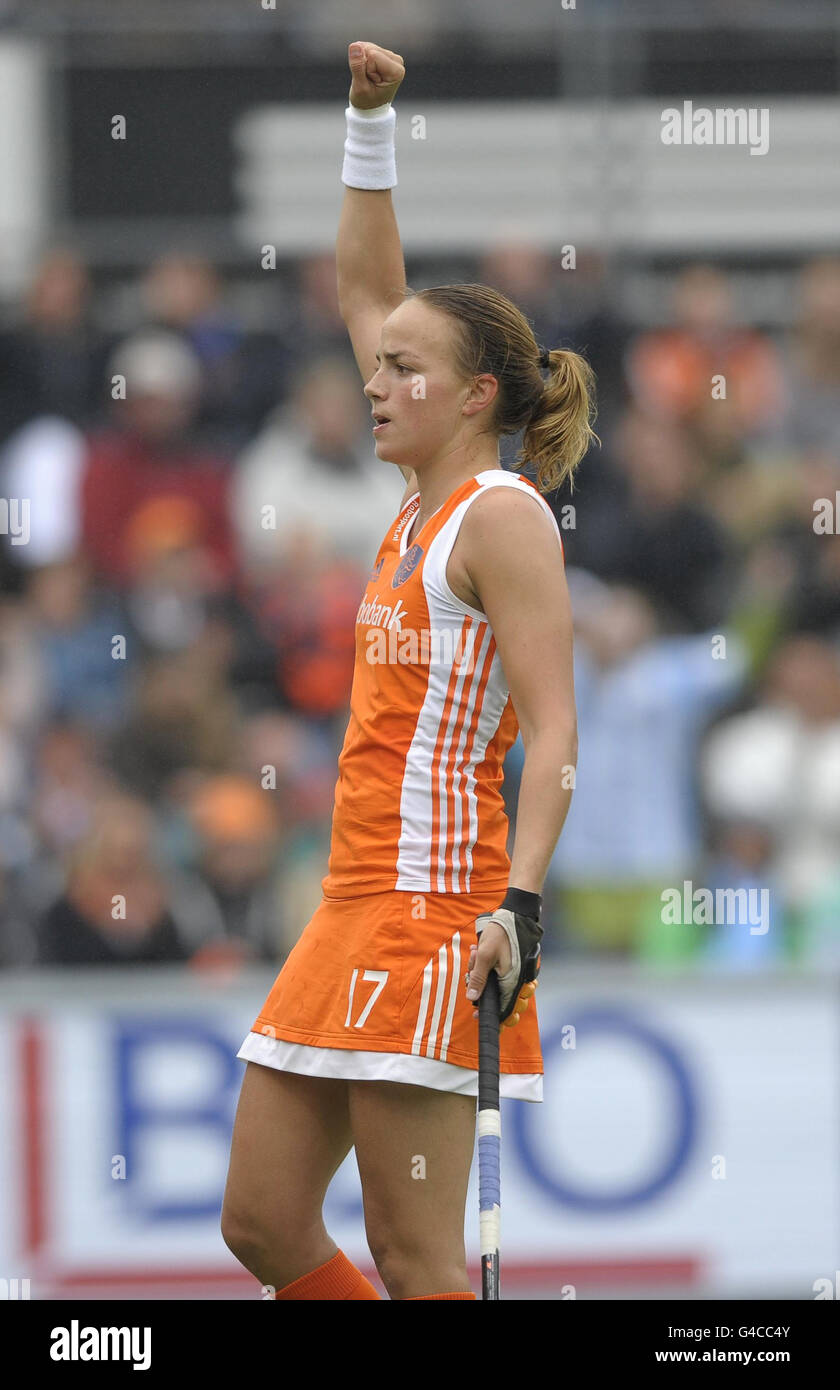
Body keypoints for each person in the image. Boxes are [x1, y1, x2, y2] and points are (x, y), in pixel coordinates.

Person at [222, 40, 591, 1302]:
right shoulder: (411, 502)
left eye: (403, 369)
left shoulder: (501, 514)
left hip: (440, 910)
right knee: (264, 1223)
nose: (374, 380)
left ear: (478, 393)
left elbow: (555, 735)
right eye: (377, 365)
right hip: (346, 900)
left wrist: (521, 906)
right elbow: (368, 282)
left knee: (416, 1257)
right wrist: (367, 122)